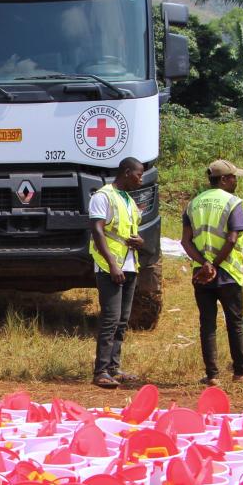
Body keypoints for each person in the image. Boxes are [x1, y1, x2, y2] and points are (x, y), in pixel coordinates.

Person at [181, 160, 243, 386]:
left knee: (207, 324)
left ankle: (212, 375)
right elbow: (232, 238)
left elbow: (185, 241)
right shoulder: (233, 202)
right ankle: (240, 371)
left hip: (201, 274)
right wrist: (215, 264)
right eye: (234, 177)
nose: (236, 181)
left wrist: (204, 264)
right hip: (227, 273)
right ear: (224, 179)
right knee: (234, 322)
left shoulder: (193, 204)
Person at [89, 158, 146, 389]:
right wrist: (112, 264)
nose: (140, 179)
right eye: (138, 174)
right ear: (126, 172)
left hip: (130, 265)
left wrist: (140, 241)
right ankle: (100, 371)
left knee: (122, 321)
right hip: (109, 267)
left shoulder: (129, 201)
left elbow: (129, 233)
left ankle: (114, 367)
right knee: (110, 320)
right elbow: (97, 230)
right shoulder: (103, 196)